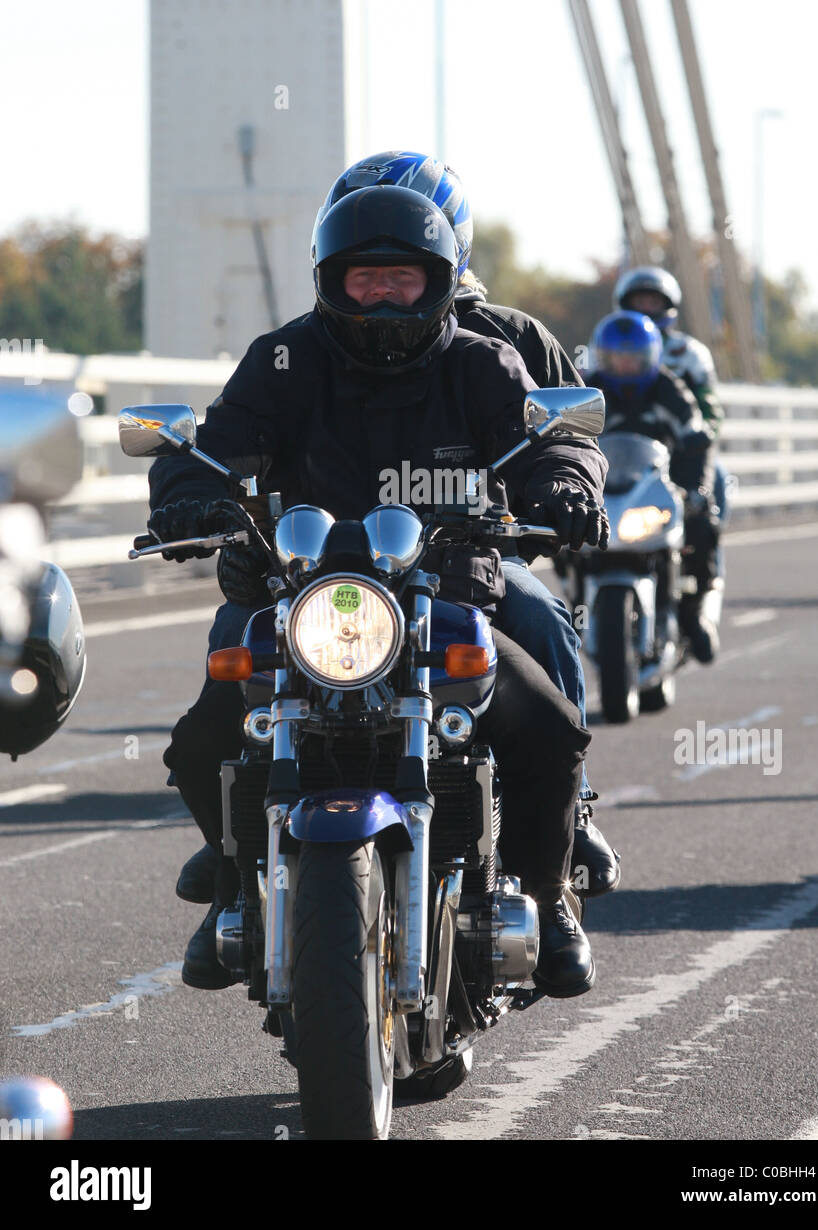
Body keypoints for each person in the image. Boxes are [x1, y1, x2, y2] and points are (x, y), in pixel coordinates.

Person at [149, 185, 610, 999]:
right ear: (331, 279)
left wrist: (567, 486)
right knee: (202, 740)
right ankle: (231, 883)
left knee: (549, 727)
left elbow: (545, 443)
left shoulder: (482, 360)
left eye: (402, 276)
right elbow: (213, 446)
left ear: (439, 279)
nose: (383, 293)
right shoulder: (283, 359)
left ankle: (547, 891)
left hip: (446, 595)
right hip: (304, 599)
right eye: (364, 278)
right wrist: (194, 494)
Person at [584, 310, 720, 661]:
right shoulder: (588, 389)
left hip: (658, 491)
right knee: (559, 533)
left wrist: (695, 490)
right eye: (618, 357)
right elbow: (566, 441)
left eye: (635, 357)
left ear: (652, 356)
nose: (626, 365)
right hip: (602, 492)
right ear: (604, 356)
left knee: (704, 525)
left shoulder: (669, 388)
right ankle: (572, 601)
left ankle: (692, 612)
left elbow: (695, 440)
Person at [613, 265, 728, 522]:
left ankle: (708, 558)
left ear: (667, 306)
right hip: (619, 453)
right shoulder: (604, 345)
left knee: (712, 489)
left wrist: (702, 435)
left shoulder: (690, 351)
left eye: (652, 302)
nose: (645, 308)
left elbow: (710, 407)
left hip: (678, 450)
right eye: (639, 301)